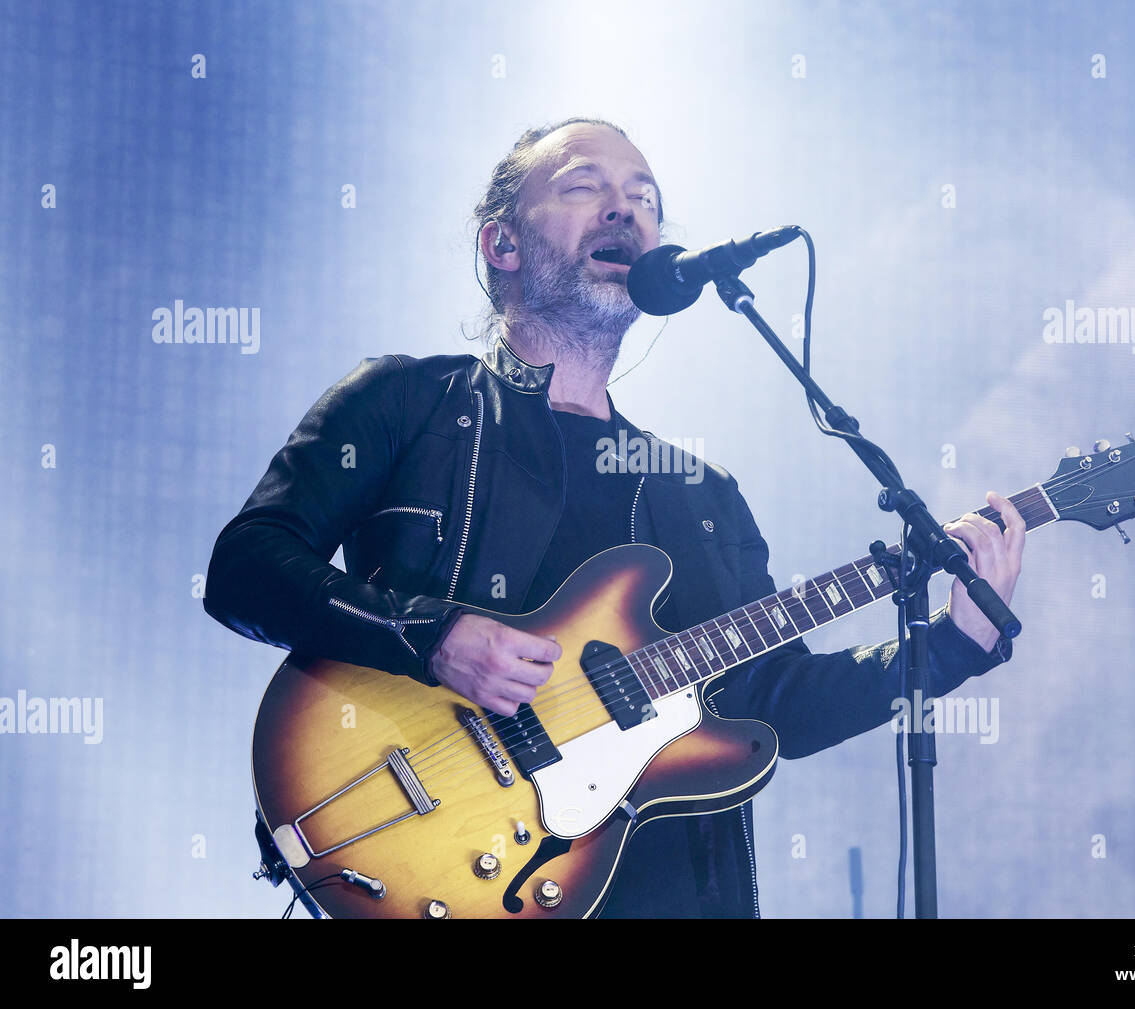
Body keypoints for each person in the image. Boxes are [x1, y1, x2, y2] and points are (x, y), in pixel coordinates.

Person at [204, 116, 1026, 918]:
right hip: (442, 849)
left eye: (644, 197)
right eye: (584, 186)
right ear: (503, 244)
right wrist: (434, 634)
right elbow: (247, 568)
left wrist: (953, 648)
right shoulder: (409, 403)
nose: (624, 210)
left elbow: (773, 699)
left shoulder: (702, 493)